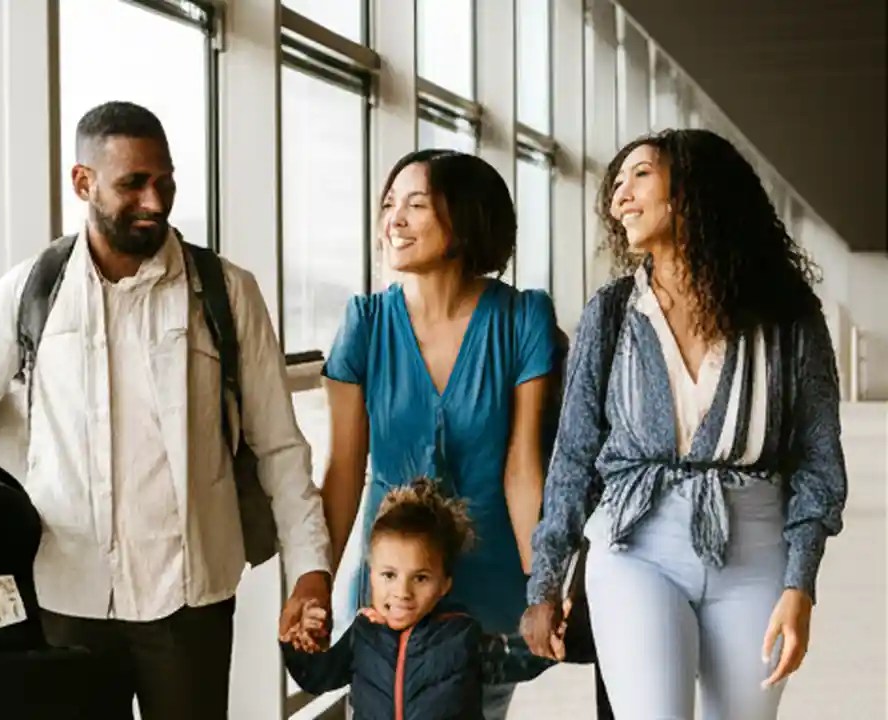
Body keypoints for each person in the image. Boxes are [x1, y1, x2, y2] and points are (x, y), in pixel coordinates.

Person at [0, 100, 332, 719]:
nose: (155, 201)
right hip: (65, 596)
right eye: (132, 183)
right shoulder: (32, 289)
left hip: (191, 601)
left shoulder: (225, 291)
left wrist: (310, 570)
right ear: (83, 183)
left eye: (164, 181)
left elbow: (279, 445)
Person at [521, 128, 848, 720]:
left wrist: (800, 585)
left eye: (639, 175)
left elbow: (819, 462)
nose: (620, 195)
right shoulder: (613, 312)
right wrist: (545, 583)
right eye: (615, 183)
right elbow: (572, 457)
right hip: (635, 547)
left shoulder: (787, 318)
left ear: (695, 189)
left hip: (757, 552)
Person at [321, 149, 559, 719]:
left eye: (416, 204)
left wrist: (544, 585)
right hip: (390, 588)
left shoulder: (522, 318)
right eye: (388, 205)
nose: (393, 220)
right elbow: (344, 470)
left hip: (489, 583)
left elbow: (523, 468)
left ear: (466, 219)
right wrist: (316, 583)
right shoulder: (366, 322)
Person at [279, 479, 552, 719]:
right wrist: (298, 640)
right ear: (371, 574)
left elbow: (523, 659)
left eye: (420, 577)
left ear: (445, 584)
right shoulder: (362, 634)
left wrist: (558, 632)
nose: (402, 592)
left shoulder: (461, 635)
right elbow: (316, 678)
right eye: (389, 575)